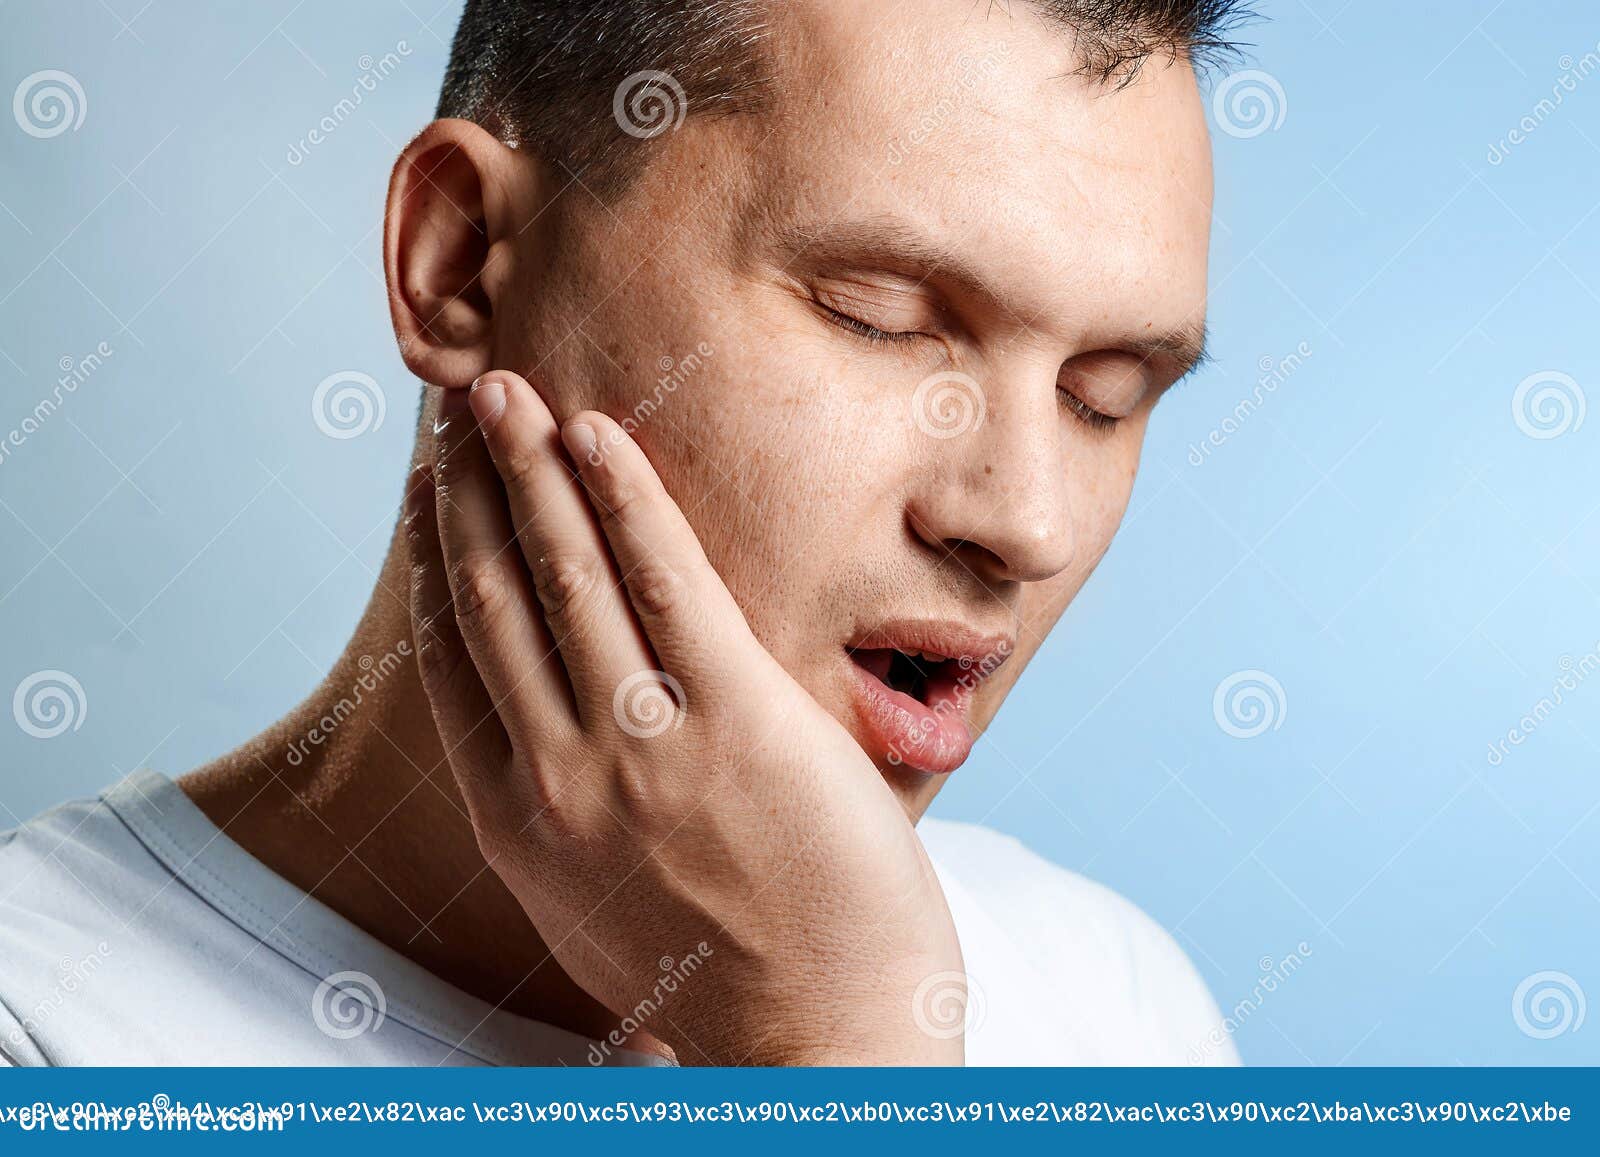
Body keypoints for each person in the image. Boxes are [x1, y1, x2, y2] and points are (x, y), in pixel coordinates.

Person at [0, 0, 1242, 1066]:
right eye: (880, 317)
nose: (1023, 519)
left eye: (1104, 396)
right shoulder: (45, 1029)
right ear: (464, 261)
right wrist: (826, 1043)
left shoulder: (1116, 1004)